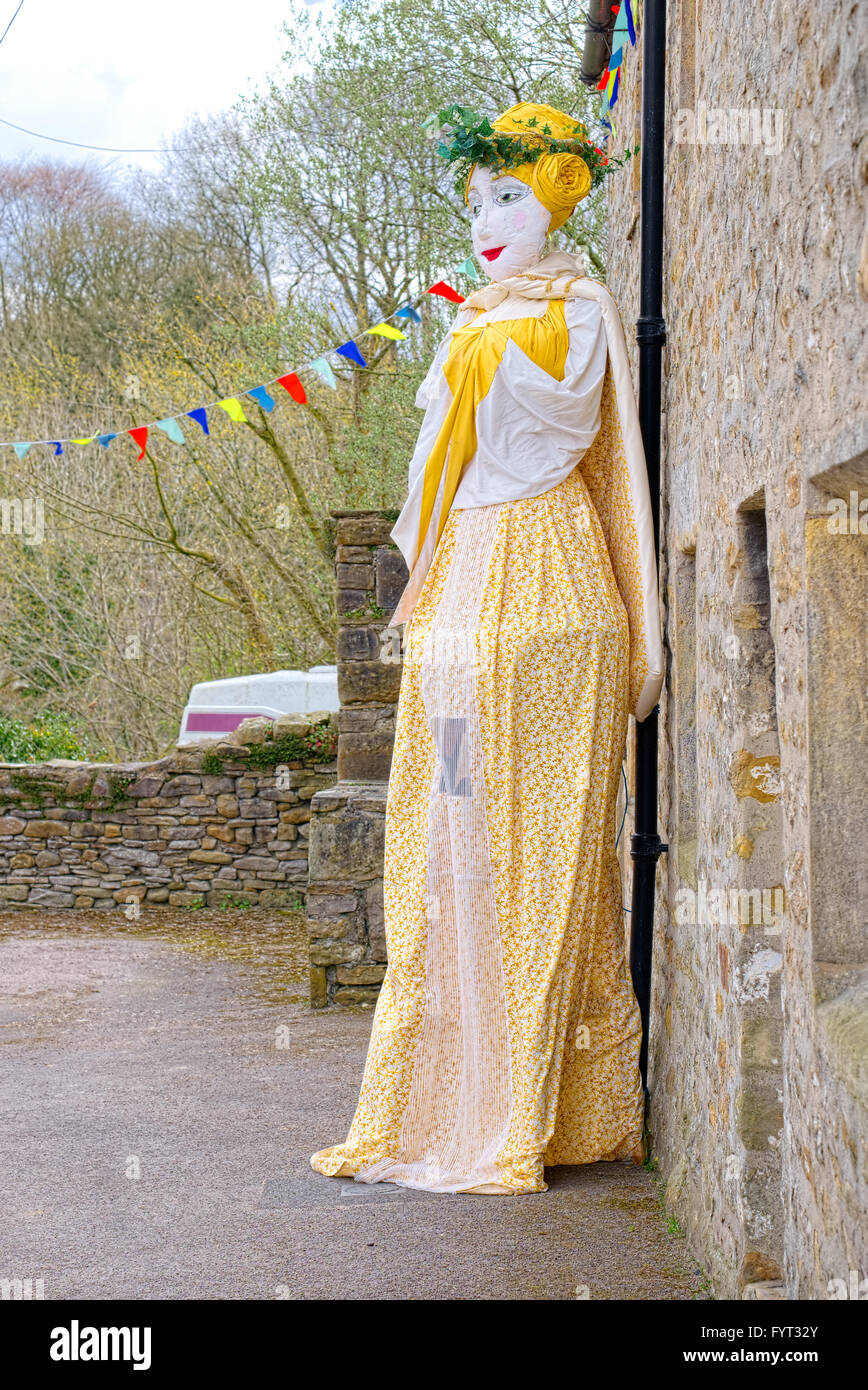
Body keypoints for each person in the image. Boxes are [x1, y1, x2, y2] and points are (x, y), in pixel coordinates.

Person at [311, 102, 664, 1195]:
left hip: (555, 584)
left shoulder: (575, 312)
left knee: (556, 852)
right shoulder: (471, 323)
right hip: (464, 598)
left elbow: (561, 424)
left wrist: (489, 344)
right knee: (449, 836)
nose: (485, 221)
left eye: (507, 196)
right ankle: (431, 1100)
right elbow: (434, 479)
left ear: (558, 193)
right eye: (473, 203)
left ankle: (540, 1117)